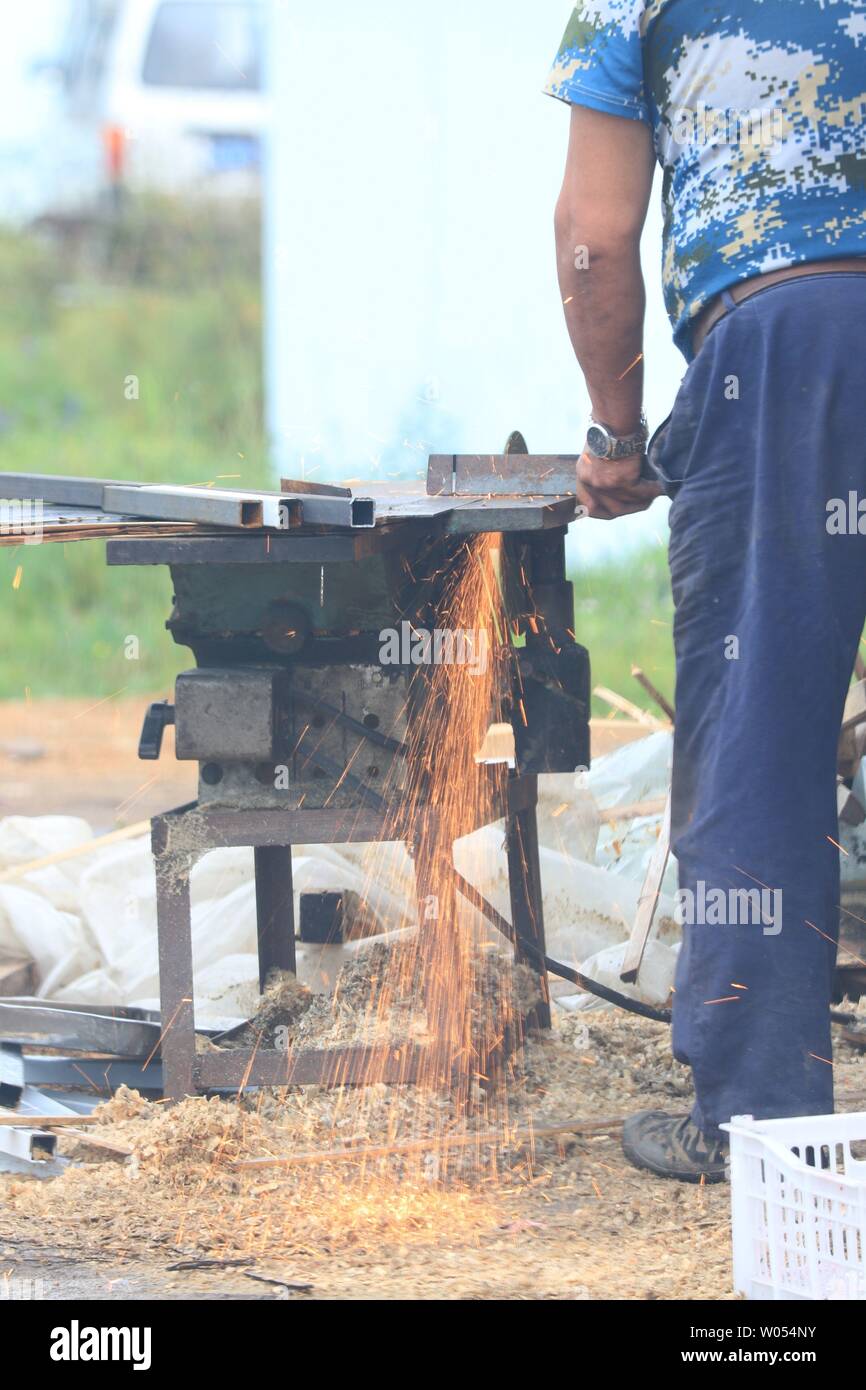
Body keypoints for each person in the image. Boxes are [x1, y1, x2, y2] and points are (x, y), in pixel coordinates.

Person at [548, 0, 866, 1182]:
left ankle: (759, 1121)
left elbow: (592, 232)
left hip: (781, 347)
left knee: (758, 746)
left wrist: (617, 429)